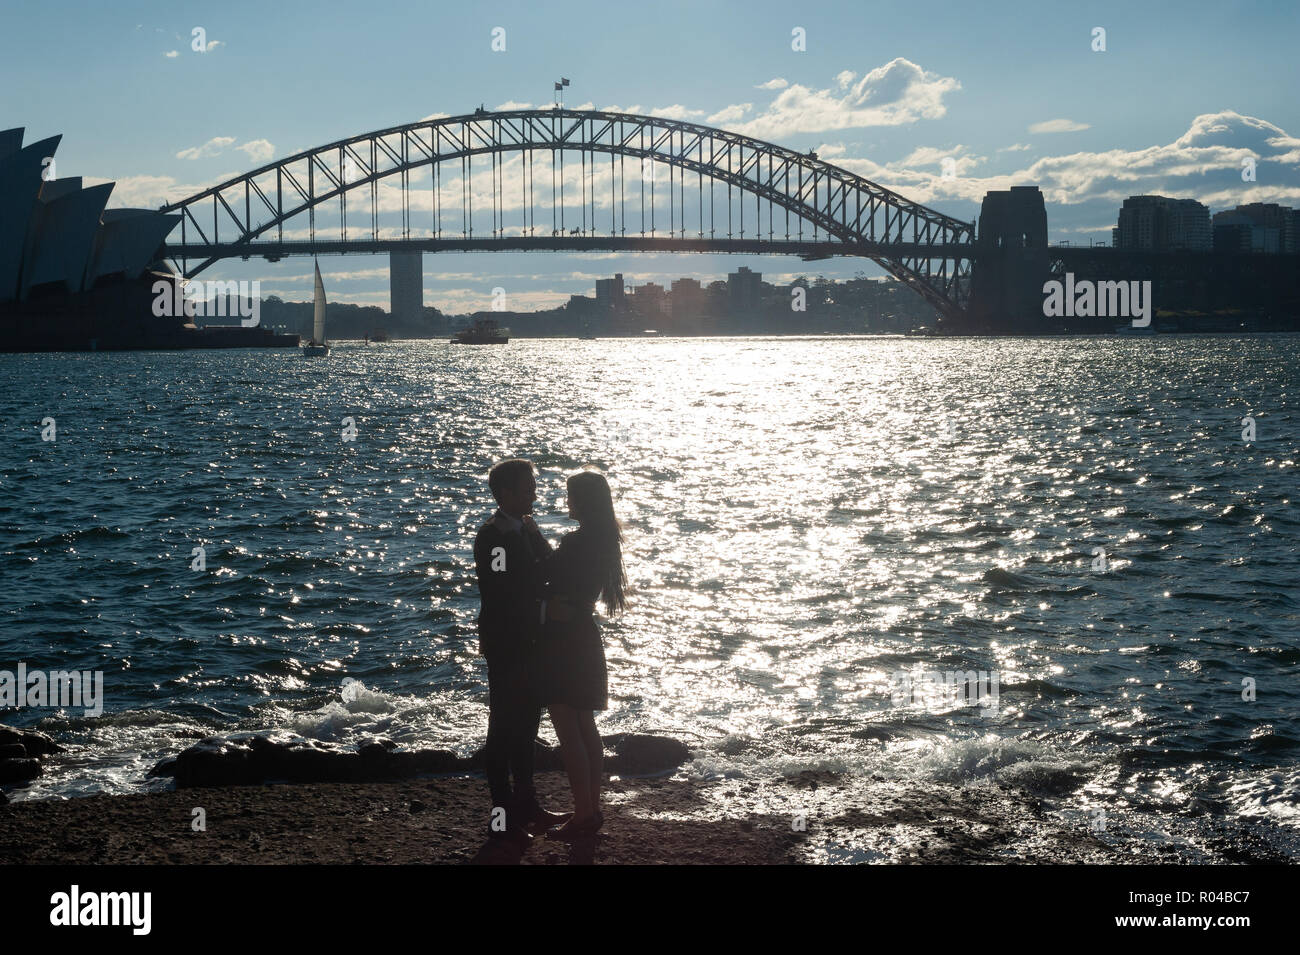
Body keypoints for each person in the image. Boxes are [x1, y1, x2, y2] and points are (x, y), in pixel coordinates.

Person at [473, 458, 568, 840]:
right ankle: (502, 818)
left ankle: (527, 806)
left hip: (530, 644)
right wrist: (544, 606)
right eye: (527, 487)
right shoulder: (493, 536)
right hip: (506, 646)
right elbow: (501, 591)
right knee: (502, 731)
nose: (534, 492)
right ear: (506, 493)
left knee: (527, 726)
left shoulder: (525, 528)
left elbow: (549, 568)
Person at [532, 469, 627, 840]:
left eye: (571, 495)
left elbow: (544, 572)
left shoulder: (578, 542)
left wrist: (533, 537)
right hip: (584, 636)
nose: (566, 501)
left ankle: (584, 813)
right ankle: (590, 808)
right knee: (585, 727)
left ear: (583, 500)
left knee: (569, 730)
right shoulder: (605, 539)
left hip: (565, 641)